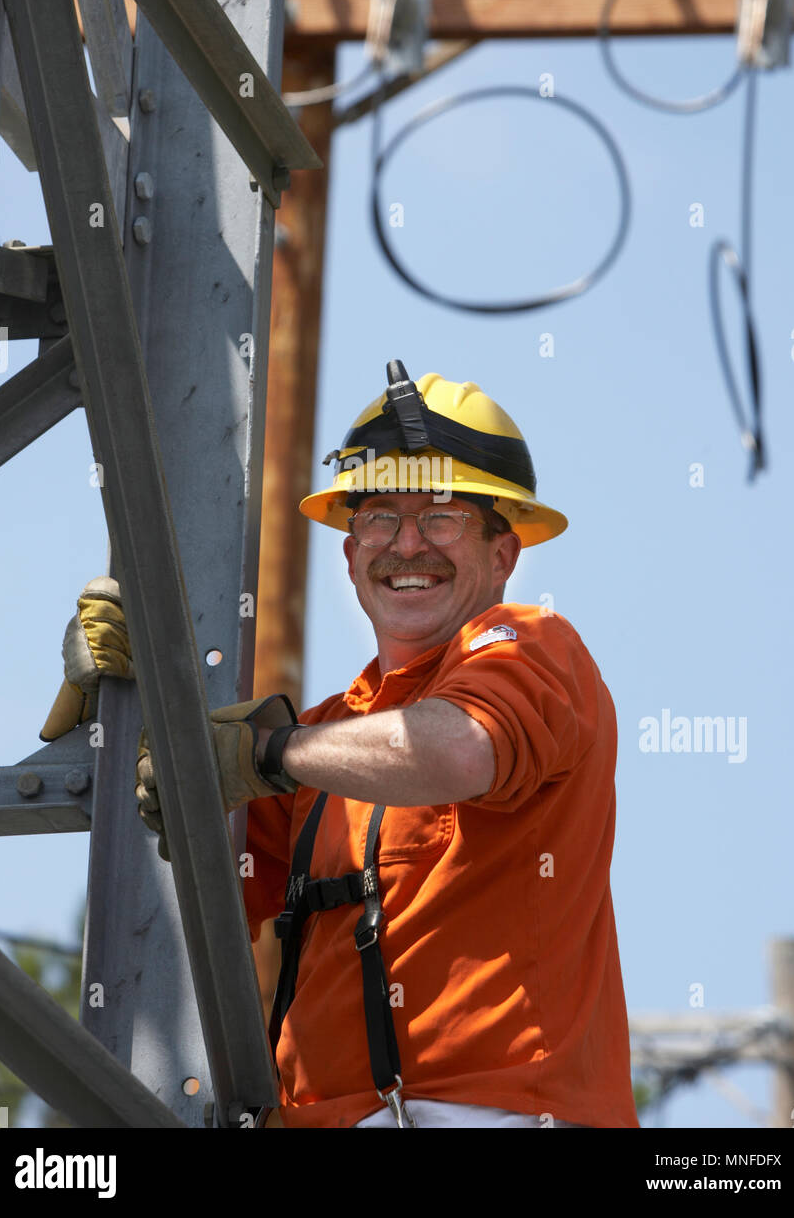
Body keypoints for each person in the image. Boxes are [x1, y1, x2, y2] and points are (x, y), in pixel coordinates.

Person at [45, 360, 639, 1129]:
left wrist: (268, 754)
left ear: (505, 552)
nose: (406, 544)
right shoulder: (334, 729)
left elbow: (457, 748)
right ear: (351, 551)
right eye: (379, 518)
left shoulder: (531, 646)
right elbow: (178, 871)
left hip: (492, 1114)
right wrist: (136, 697)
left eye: (443, 516)